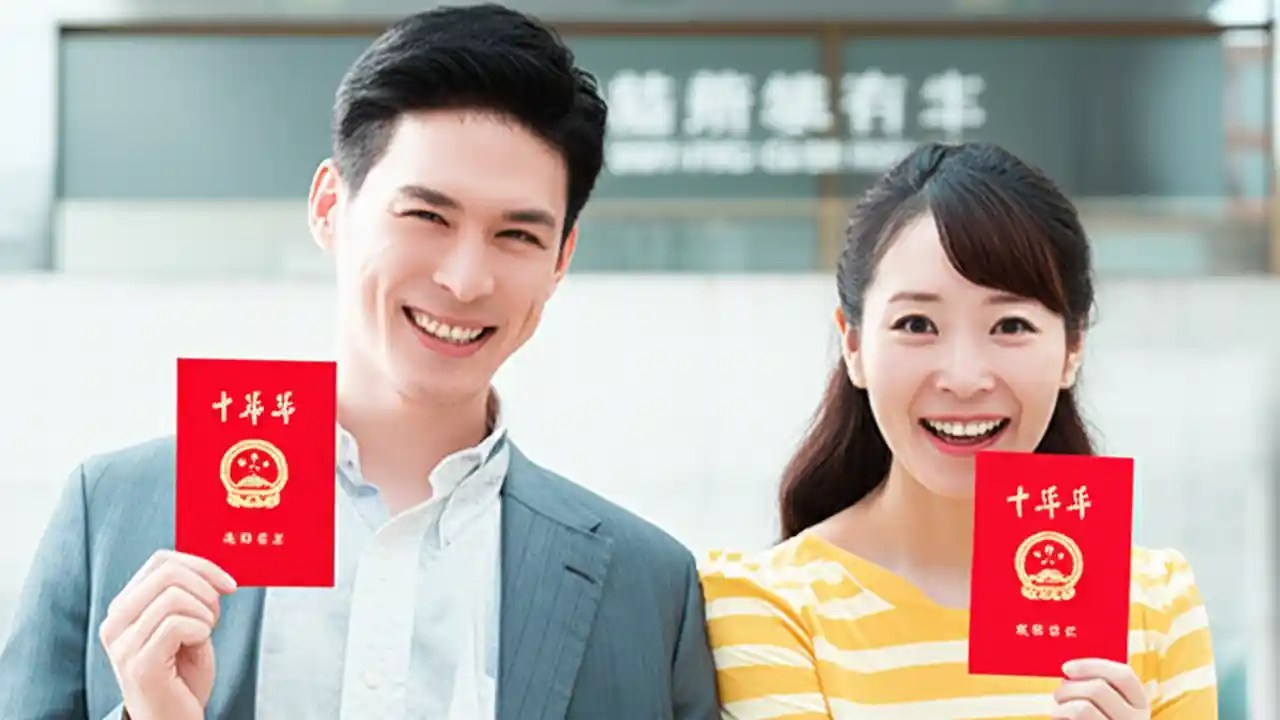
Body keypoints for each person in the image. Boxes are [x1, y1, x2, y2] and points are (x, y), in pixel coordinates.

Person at [0, 5, 719, 719]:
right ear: (329, 208)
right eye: (427, 217)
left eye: (517, 236)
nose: (466, 280)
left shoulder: (648, 586)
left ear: (562, 257)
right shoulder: (117, 511)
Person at [699, 142, 1217, 719]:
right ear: (853, 343)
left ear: (1073, 348)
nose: (964, 378)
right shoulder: (766, 604)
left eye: (1011, 325)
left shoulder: (1155, 603)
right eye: (917, 324)